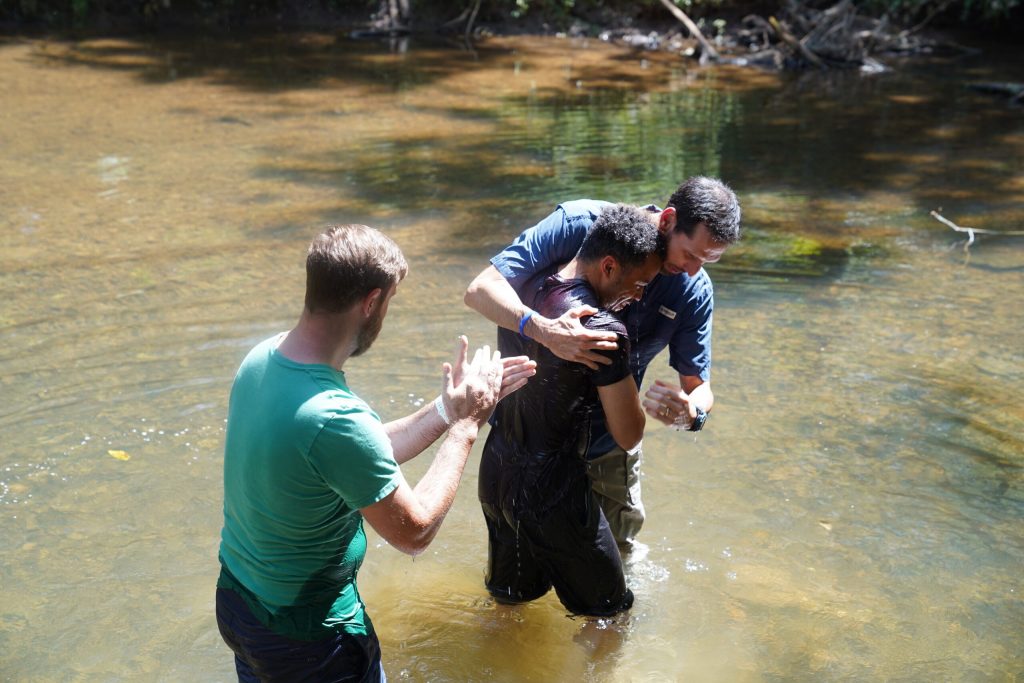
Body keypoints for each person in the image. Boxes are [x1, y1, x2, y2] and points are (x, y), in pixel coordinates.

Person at [215, 224, 536, 682]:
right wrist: (468, 426)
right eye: (389, 302)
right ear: (370, 302)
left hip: (240, 607)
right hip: (310, 638)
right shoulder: (336, 419)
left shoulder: (262, 360)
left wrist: (449, 408)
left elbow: (347, 456)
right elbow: (415, 532)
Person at [465, 177, 741, 548]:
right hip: (523, 437)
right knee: (517, 564)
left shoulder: (693, 290)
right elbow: (480, 290)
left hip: (608, 449)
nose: (693, 270)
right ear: (669, 220)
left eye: (708, 261)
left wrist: (692, 413)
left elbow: (700, 387)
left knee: (615, 569)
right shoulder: (580, 225)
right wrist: (544, 330)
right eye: (690, 254)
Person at [478, 204, 664, 616]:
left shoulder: (520, 292)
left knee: (509, 605)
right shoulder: (601, 331)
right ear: (610, 266)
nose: (641, 296)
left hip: (496, 473)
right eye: (641, 283)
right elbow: (628, 434)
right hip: (553, 492)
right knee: (610, 617)